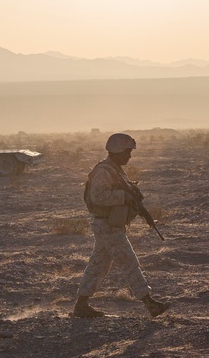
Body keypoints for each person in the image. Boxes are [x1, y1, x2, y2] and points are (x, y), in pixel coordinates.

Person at [72, 133, 171, 318]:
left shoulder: (115, 170)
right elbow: (97, 196)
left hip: (109, 225)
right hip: (108, 226)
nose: (129, 156)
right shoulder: (104, 171)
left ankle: (81, 305)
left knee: (98, 266)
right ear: (117, 151)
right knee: (129, 263)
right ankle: (150, 304)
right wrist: (123, 197)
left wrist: (142, 212)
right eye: (127, 152)